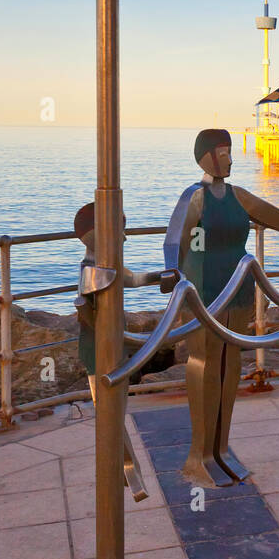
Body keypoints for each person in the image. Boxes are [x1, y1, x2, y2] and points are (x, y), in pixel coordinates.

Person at [165, 128, 279, 488]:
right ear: (207, 157)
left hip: (238, 292)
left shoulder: (239, 197)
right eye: (224, 153)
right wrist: (174, 285)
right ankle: (198, 455)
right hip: (203, 294)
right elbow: (174, 243)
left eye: (231, 152)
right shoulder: (194, 197)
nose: (231, 159)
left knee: (231, 366)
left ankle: (220, 451)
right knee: (203, 365)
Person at [74, 202, 153, 502]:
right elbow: (84, 305)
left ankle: (126, 471)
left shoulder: (109, 266)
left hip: (114, 346)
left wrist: (159, 278)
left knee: (117, 411)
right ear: (102, 235)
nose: (125, 238)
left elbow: (129, 278)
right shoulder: (92, 270)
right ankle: (129, 474)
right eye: (121, 230)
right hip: (99, 351)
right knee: (110, 416)